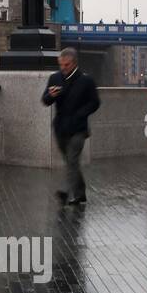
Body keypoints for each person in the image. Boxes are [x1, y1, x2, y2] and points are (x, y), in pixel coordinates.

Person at [41, 47, 101, 205]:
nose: (63, 68)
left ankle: (66, 192)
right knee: (70, 162)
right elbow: (45, 101)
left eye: (66, 65)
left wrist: (81, 114)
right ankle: (81, 193)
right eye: (61, 64)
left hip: (79, 129)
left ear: (74, 63)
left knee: (72, 159)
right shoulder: (54, 78)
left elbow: (95, 103)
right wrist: (50, 95)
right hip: (60, 128)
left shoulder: (86, 80)